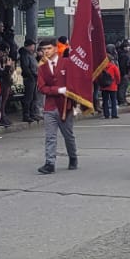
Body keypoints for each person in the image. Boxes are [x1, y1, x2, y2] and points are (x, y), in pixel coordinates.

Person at [34, 39, 78, 174]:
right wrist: (58, 90)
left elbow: (74, 82)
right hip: (50, 106)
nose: (46, 51)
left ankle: (73, 157)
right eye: (44, 49)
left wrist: (73, 99)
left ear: (55, 48)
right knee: (50, 136)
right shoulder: (42, 67)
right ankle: (50, 163)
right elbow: (42, 87)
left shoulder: (67, 63)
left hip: (65, 106)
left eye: (49, 48)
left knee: (68, 135)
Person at [19, 39, 40, 122]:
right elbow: (26, 67)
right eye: (32, 45)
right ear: (28, 45)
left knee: (34, 97)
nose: (34, 47)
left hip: (34, 77)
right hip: (29, 78)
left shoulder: (30, 54)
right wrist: (31, 76)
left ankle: (32, 113)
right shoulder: (24, 54)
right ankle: (26, 115)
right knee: (29, 97)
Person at [97, 54, 122, 120]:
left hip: (104, 86)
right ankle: (114, 114)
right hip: (113, 86)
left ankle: (106, 114)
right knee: (113, 100)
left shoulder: (101, 67)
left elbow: (99, 76)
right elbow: (117, 75)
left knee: (105, 101)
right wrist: (118, 82)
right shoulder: (114, 67)